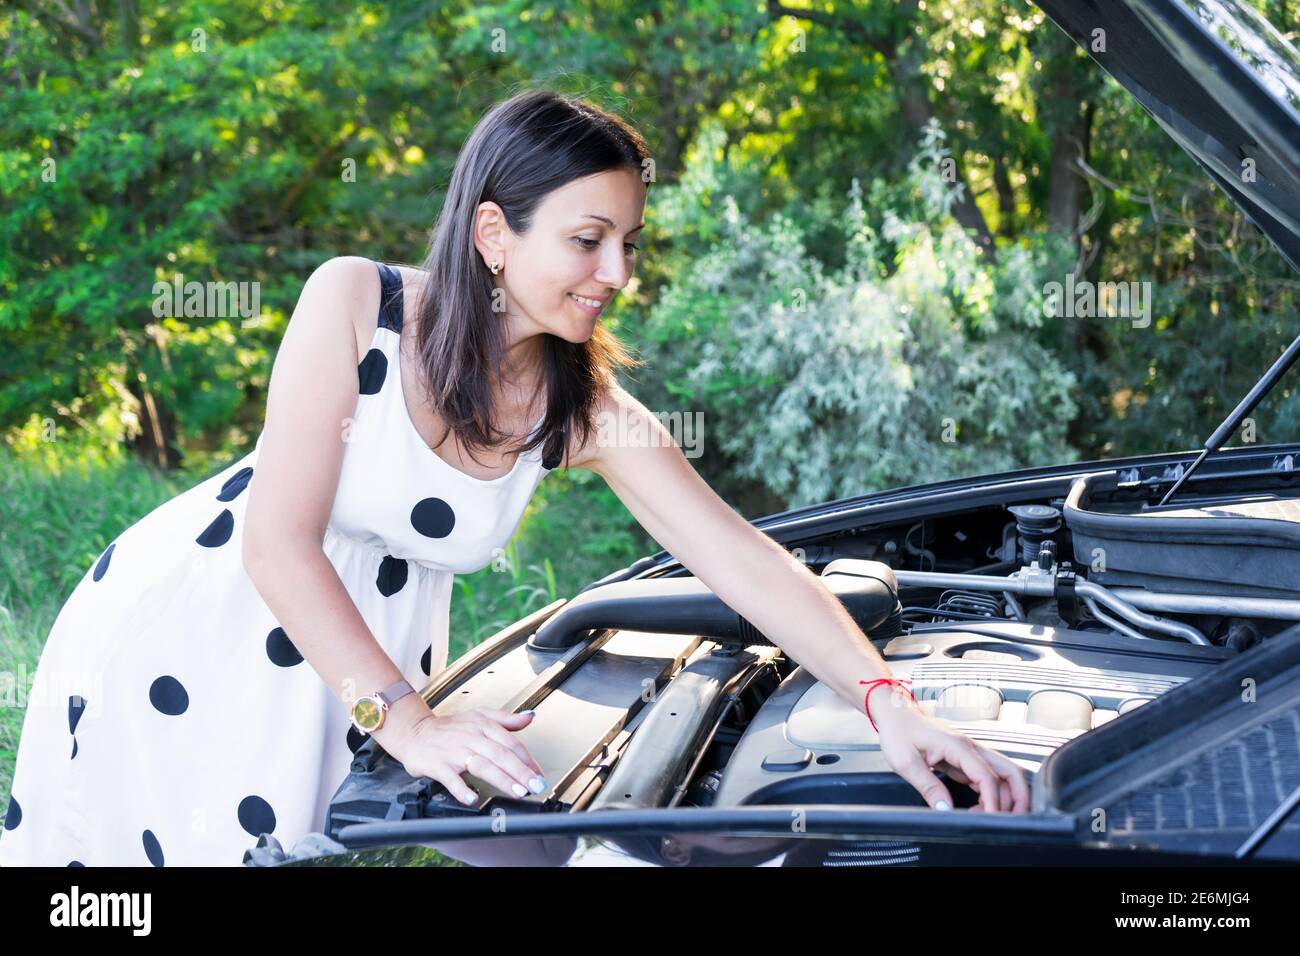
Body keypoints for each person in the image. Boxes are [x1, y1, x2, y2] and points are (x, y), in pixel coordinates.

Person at [0, 87, 1027, 867]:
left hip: (365, 661)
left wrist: (890, 699)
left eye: (626, 241)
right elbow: (278, 541)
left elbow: (744, 562)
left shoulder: (579, 409)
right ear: (494, 233)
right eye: (588, 239)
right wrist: (401, 715)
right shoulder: (355, 303)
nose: (617, 272)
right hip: (202, 626)